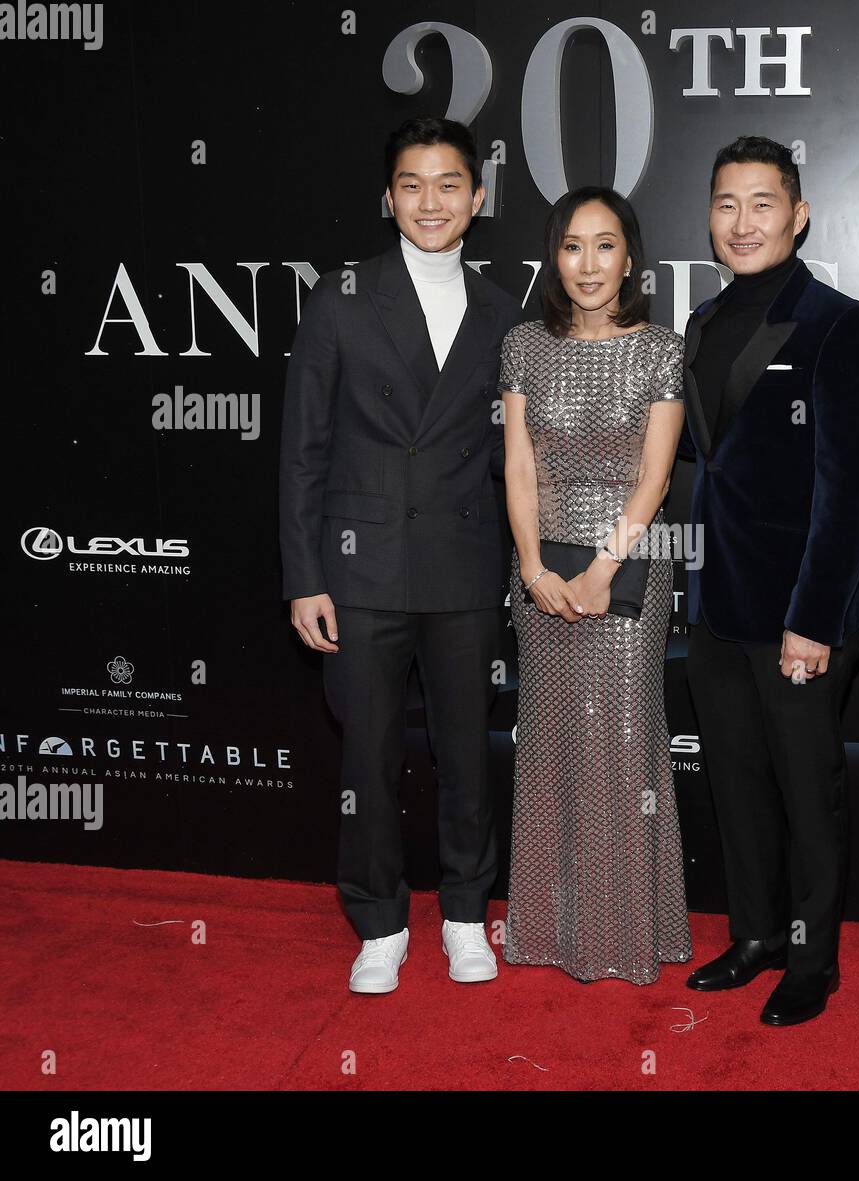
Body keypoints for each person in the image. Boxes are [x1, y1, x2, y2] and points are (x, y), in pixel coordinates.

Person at [279, 116, 522, 994]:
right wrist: (305, 576)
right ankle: (378, 922)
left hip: (463, 566)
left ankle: (464, 914)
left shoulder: (504, 313)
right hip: (363, 569)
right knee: (369, 762)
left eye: (449, 183)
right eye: (412, 184)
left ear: (477, 196)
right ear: (389, 198)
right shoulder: (341, 296)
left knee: (466, 757)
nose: (431, 201)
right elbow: (302, 450)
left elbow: (515, 458)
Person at [680, 136, 859, 1025]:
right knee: (737, 786)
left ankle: (813, 960)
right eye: (727, 204)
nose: (743, 222)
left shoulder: (841, 324)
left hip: (800, 613)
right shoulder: (701, 322)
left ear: (798, 215)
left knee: (808, 794)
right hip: (716, 607)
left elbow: (852, 491)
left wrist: (814, 617)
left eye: (762, 203)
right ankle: (757, 935)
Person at [499, 185, 691, 984]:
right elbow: (518, 467)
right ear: (554, 257)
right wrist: (534, 569)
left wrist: (603, 567)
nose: (588, 263)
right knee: (548, 742)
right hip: (542, 570)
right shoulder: (522, 345)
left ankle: (627, 933)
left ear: (630, 257)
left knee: (623, 737)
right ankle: (550, 928)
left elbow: (655, 477)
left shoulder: (660, 349)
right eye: (572, 245)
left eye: (604, 245)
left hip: (629, 565)